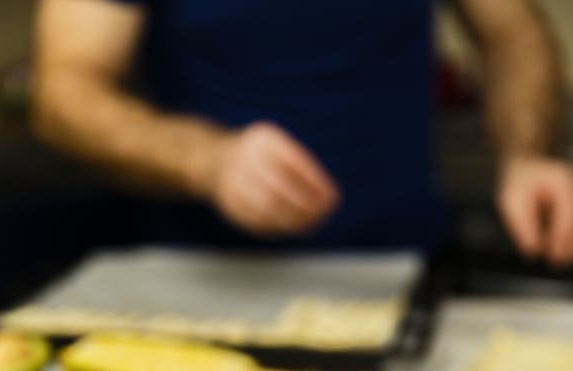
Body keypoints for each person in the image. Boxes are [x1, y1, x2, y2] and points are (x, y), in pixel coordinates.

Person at [33, 0, 573, 264]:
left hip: (400, 263)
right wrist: (207, 159)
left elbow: (514, 33)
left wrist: (526, 155)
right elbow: (65, 92)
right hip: (197, 276)